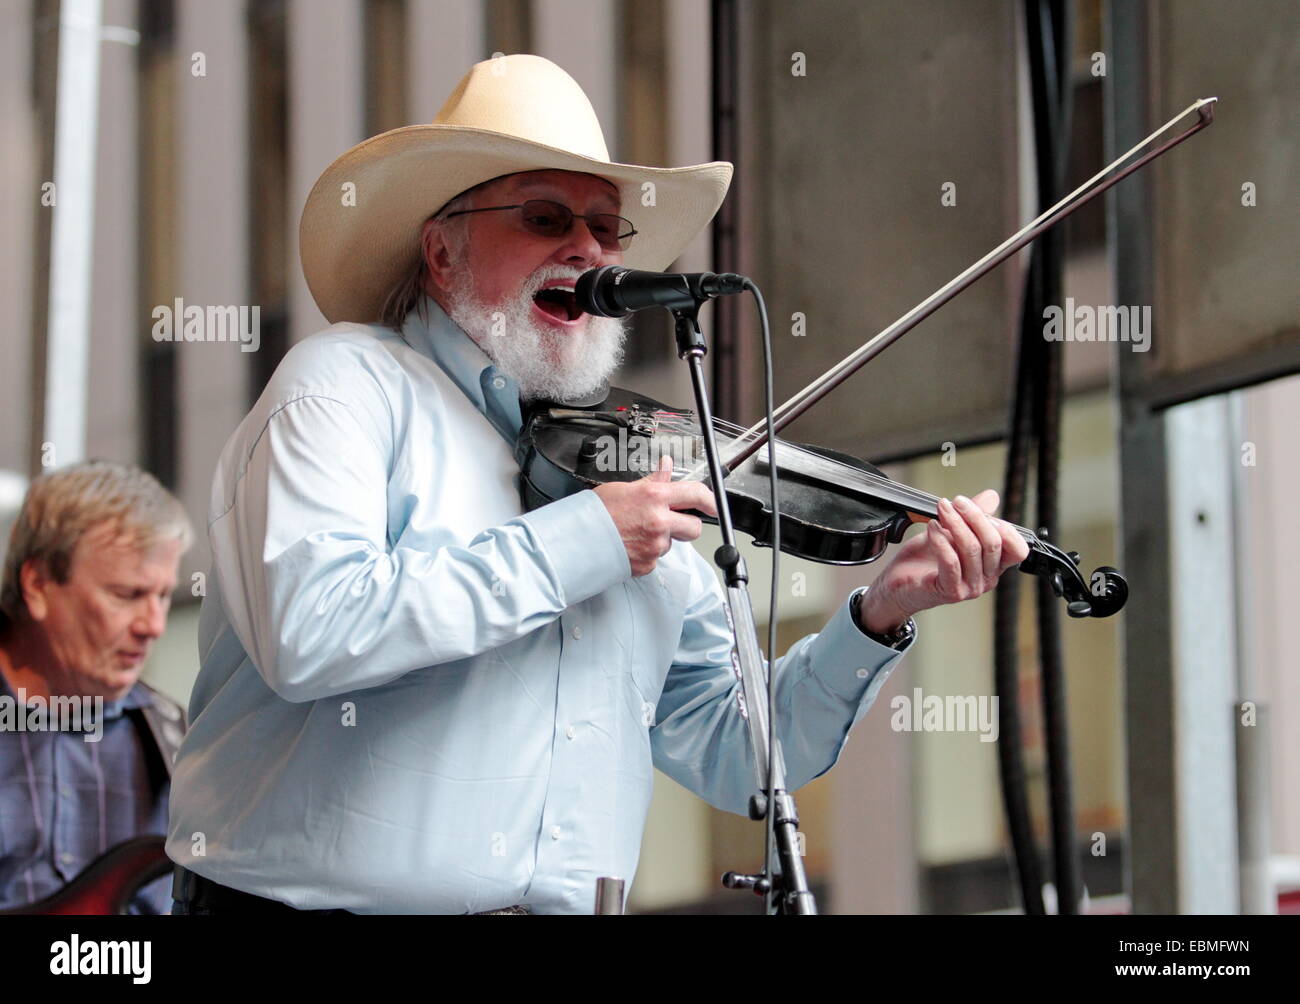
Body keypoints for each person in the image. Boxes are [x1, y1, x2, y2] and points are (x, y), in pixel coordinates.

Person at [166, 54, 1028, 915]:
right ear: (440, 251)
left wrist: (880, 613)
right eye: (544, 218)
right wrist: (585, 543)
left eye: (607, 230)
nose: (585, 248)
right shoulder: (343, 385)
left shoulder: (627, 455)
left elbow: (740, 750)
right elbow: (311, 629)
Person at [0, 461, 192, 913]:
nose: (154, 625)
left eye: (163, 595)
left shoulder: (175, 737)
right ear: (38, 584)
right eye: (127, 595)